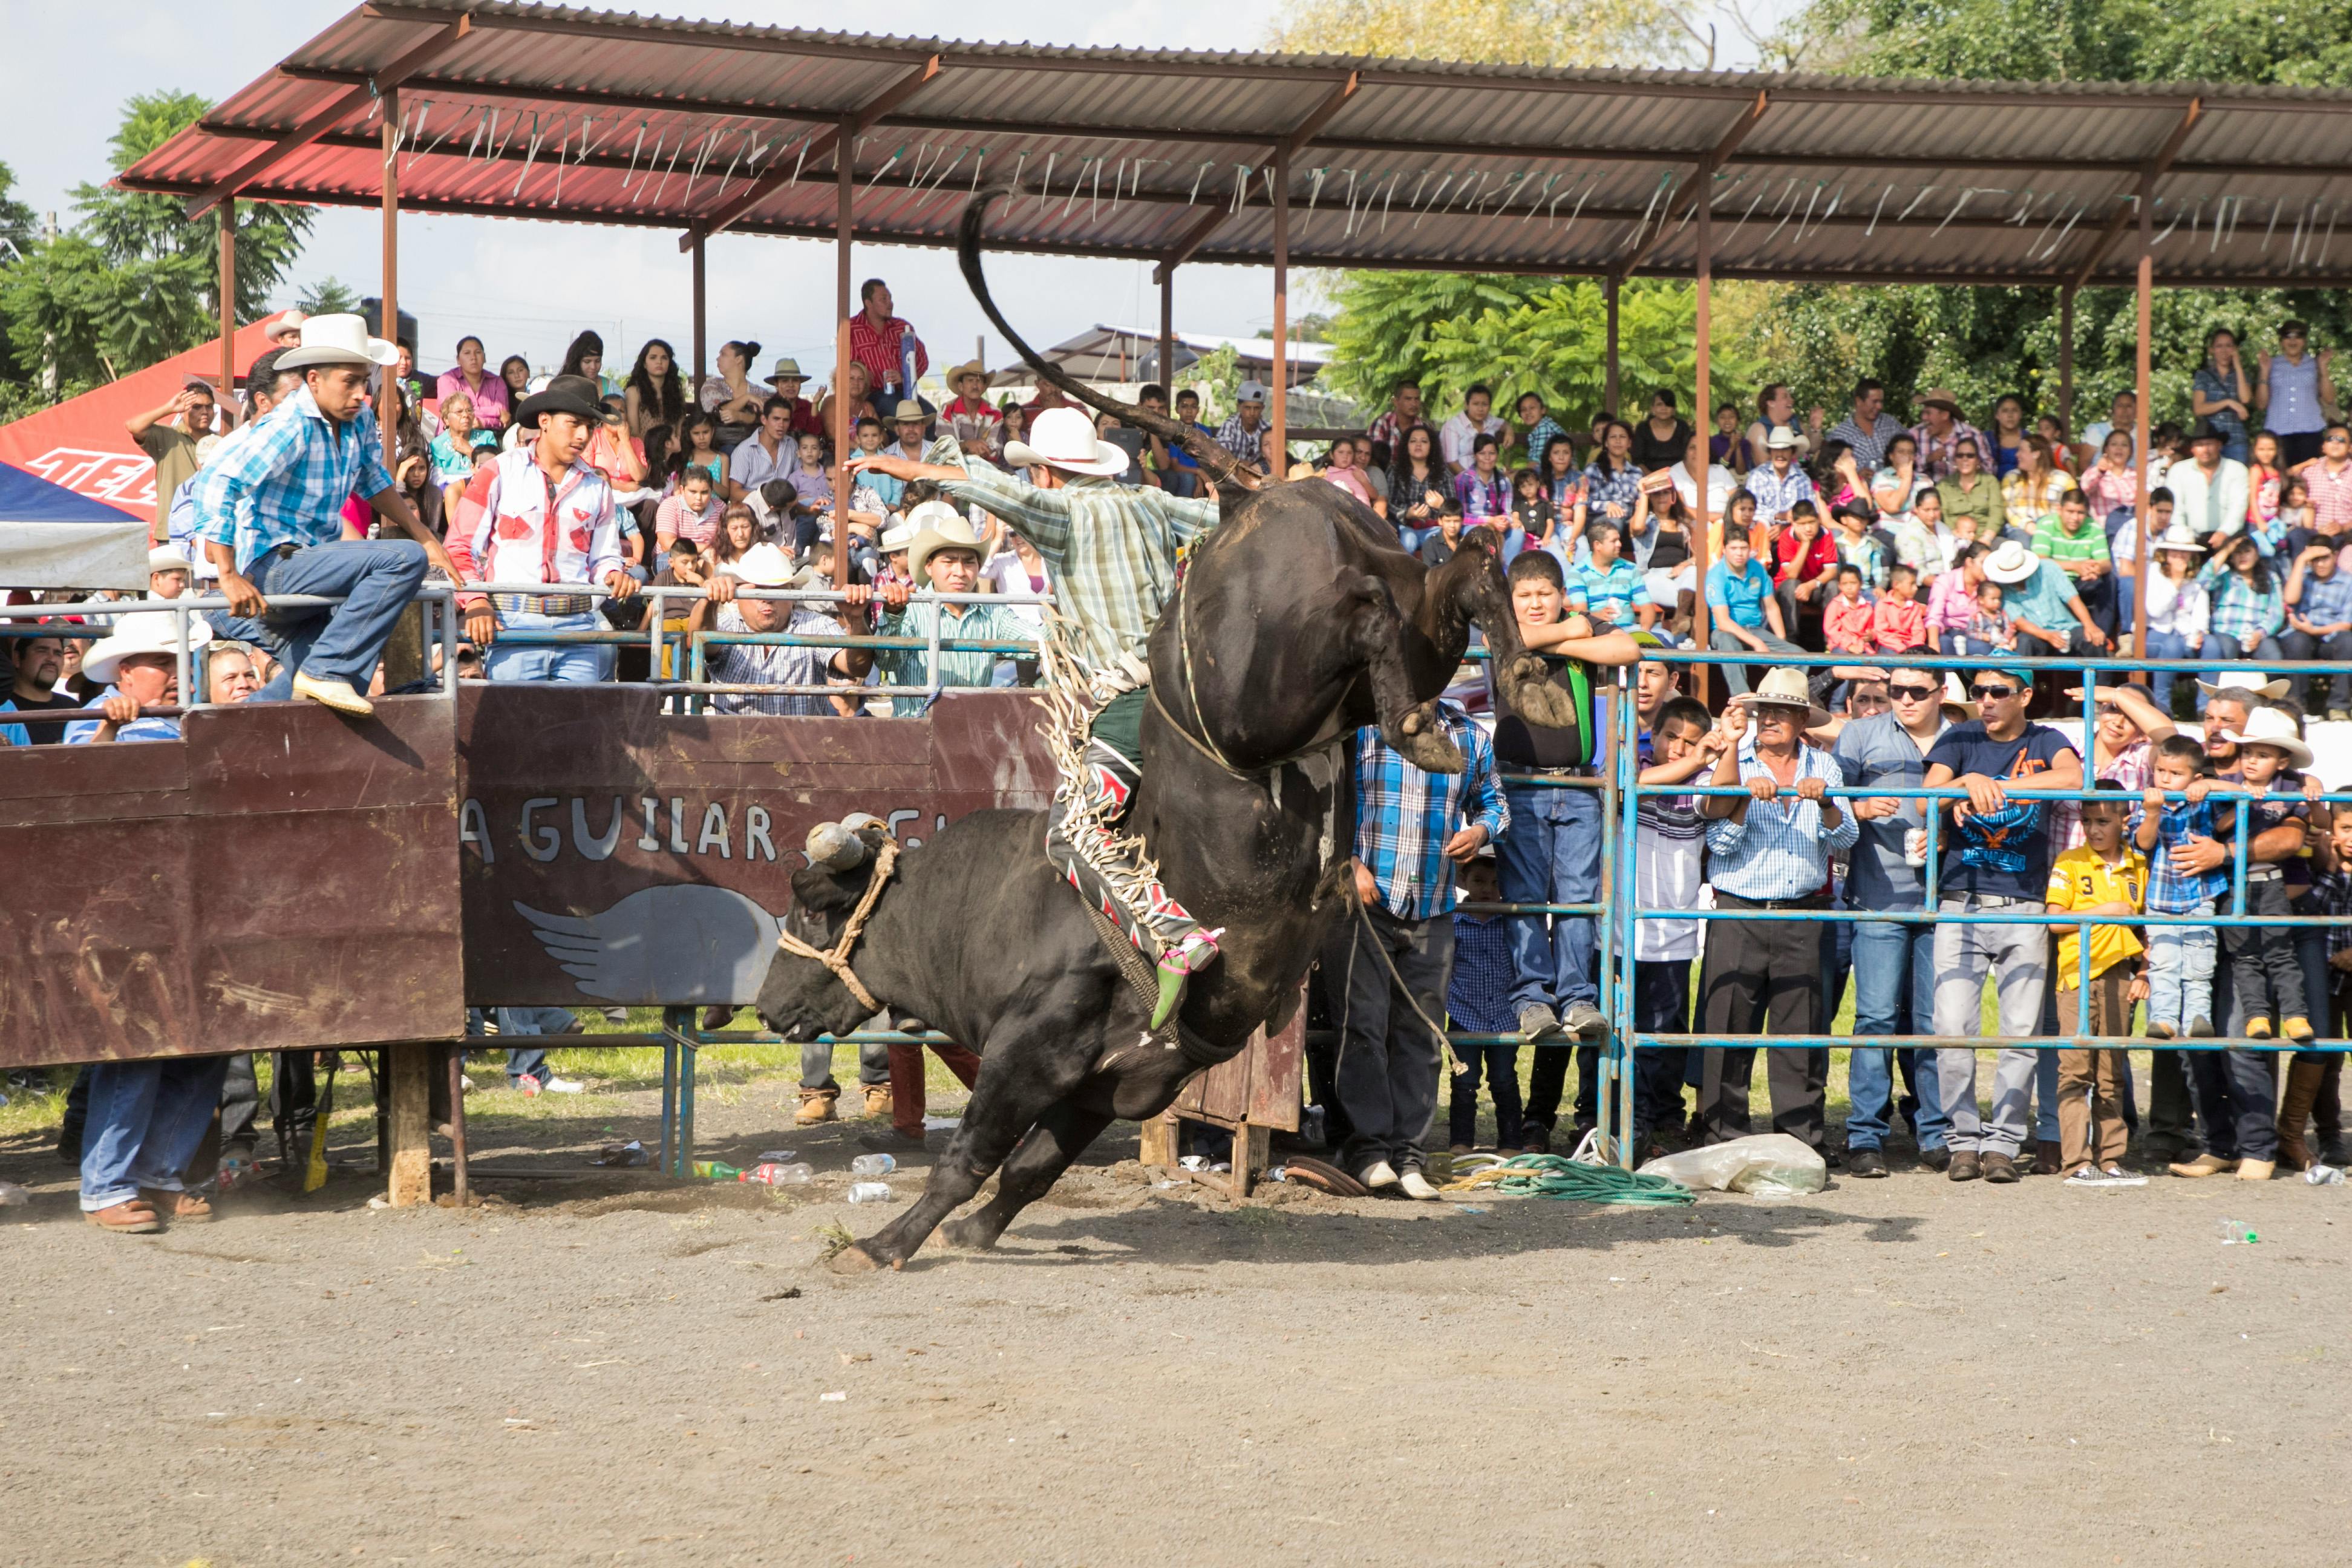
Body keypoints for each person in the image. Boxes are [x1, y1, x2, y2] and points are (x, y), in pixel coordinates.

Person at [845, 403, 1224, 1027]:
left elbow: (991, 488)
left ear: (1046, 472)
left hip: (1128, 702)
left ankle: (1175, 933)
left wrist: (915, 465)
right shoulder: (1151, 502)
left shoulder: (1062, 513)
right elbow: (1219, 518)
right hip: (1185, 694)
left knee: (1072, 831)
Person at [192, 315, 461, 716]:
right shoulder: (291, 424)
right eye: (349, 382)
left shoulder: (359, 422)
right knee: (403, 560)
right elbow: (218, 480)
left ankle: (233, 727)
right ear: (314, 380)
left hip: (316, 568)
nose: (359, 394)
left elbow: (374, 480)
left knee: (329, 683)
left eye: (364, 382)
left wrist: (427, 536)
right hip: (279, 565)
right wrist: (228, 575)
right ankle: (334, 670)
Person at [1320, 696, 1506, 1198]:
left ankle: (1410, 1156)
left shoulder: (1468, 735)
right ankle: (1368, 1151)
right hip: (1363, 902)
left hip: (1434, 903)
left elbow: (1494, 803)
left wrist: (1482, 831)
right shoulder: (1360, 728)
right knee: (1362, 1026)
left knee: (1422, 1036)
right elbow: (1326, 799)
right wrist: (1347, 862)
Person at [1489, 552, 1636, 1146]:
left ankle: (1576, 998)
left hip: (1576, 784)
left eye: (1545, 593)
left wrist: (1570, 639)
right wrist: (1568, 632)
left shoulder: (1581, 624)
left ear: (1561, 593)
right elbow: (1510, 639)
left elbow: (1627, 651)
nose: (1534, 603)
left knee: (1577, 897)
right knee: (1525, 898)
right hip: (1521, 785)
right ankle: (1532, 1000)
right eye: (1524, 594)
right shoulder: (1504, 626)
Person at [1922, 665, 2083, 1183]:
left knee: (2020, 1032)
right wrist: (1968, 780)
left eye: (1997, 692)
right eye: (1978, 692)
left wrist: (2000, 785)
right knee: (1951, 1029)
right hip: (1960, 900)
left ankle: (2004, 1145)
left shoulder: (2048, 738)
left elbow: (2072, 777)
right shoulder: (1961, 736)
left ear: (2025, 696)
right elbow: (1929, 793)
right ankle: (1962, 1140)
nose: (1985, 701)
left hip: (2025, 904)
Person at [1693, 668, 1854, 1154]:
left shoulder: (1824, 768)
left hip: (1803, 912)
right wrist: (1742, 803)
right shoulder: (1731, 758)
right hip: (1739, 909)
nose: (1770, 720)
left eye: (1781, 712)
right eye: (1765, 711)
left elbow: (1847, 838)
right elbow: (1716, 841)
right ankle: (1721, 1136)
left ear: (1803, 718)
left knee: (1800, 1030)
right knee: (1726, 1027)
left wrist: (1826, 804)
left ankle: (1800, 1140)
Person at [1832, 666, 1965, 1174]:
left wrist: (1950, 835)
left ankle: (1935, 1131)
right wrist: (1858, 807)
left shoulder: (1962, 740)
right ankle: (1865, 1135)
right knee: (1875, 1019)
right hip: (1877, 898)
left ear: (1941, 693)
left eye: (1917, 691)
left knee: (1934, 1024)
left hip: (1943, 901)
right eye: (1897, 690)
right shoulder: (1860, 734)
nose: (1905, 699)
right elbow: (1826, 799)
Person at [445, 376, 638, 683]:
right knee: (518, 727)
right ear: (545, 421)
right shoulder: (498, 471)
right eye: (574, 423)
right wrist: (477, 600)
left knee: (577, 727)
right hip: (512, 621)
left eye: (590, 426)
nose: (583, 435)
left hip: (578, 625)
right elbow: (458, 547)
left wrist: (613, 575)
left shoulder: (599, 488)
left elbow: (604, 558)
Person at [2044, 785, 2149, 1184]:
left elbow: (2145, 926)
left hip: (2120, 974)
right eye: (2086, 820)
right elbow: (2056, 920)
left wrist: (2143, 972)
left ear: (2124, 820)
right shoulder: (2070, 862)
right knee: (2075, 1069)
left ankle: (2112, 1159)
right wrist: (2108, 911)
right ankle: (2077, 1162)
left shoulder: (2138, 863)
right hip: (2076, 975)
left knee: (2112, 1069)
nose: (2093, 829)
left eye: (2103, 820)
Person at [1632, 692, 1720, 1152]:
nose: (1679, 748)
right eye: (1671, 736)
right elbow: (1637, 784)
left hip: (1675, 929)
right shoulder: (1637, 767)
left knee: (1664, 1034)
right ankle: (1613, 1117)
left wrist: (1719, 753)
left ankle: (1661, 1120)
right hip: (1625, 930)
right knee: (1619, 1029)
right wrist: (1698, 758)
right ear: (1654, 734)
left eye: (1691, 742)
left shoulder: (1706, 779)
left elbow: (1719, 804)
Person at [855, 504, 1037, 716]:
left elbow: (1033, 642)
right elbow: (889, 661)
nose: (959, 571)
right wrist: (894, 614)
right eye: (949, 561)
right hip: (918, 733)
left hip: (973, 734)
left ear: (978, 568)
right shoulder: (911, 610)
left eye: (969, 562)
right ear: (929, 567)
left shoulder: (994, 613)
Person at [2212, 706, 2315, 1048]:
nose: (2252, 761)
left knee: (2280, 950)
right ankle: (2257, 1016)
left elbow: (2320, 820)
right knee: (2245, 954)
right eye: (2247, 753)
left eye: (2263, 755)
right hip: (2234, 885)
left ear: (2282, 762)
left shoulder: (2290, 785)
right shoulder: (2227, 784)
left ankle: (2295, 1016)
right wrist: (2237, 801)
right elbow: (2215, 822)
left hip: (2271, 882)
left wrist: (2313, 793)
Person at [690, 542, 872, 718]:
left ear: (792, 593)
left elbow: (857, 667)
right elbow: (696, 641)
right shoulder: (725, 626)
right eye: (757, 588)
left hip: (802, 746)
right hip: (736, 745)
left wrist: (856, 620)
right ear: (736, 594)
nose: (767, 597)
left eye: (776, 588)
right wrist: (707, 601)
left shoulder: (816, 626)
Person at [2134, 733, 2226, 1045]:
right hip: (2161, 897)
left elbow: (2242, 793)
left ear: (2194, 777)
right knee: (2164, 960)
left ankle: (2198, 1017)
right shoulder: (2147, 803)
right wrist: (2153, 812)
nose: (2166, 779)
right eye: (2161, 771)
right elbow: (2144, 842)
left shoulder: (2204, 801)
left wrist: (2209, 786)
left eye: (2176, 774)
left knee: (2200, 959)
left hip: (2200, 894)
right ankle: (2164, 1019)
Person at [1444, 853, 1521, 1154]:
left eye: (1494, 882)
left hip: (1504, 1013)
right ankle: (1461, 1143)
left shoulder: (1510, 920)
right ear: (1463, 881)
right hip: (1465, 1011)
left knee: (1504, 1079)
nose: (1487, 889)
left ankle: (1511, 1143)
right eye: (1478, 881)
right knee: (1464, 1080)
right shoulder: (1454, 919)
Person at [1705, 531, 1805, 696]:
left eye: (1743, 548)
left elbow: (1772, 607)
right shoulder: (1716, 575)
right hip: (1725, 631)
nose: (1739, 553)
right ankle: (1743, 702)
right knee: (1729, 646)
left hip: (1754, 628)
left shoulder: (1757, 568)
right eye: (1734, 548)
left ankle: (1785, 703)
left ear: (1750, 549)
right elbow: (1723, 621)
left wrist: (1781, 641)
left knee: (1799, 658)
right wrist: (1757, 644)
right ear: (1724, 550)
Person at [1985, 538, 2108, 661]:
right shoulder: (2001, 587)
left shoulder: (2048, 568)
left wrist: (2090, 625)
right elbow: (2019, 621)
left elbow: (2071, 597)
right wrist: (2047, 635)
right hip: (2035, 633)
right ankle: (2021, 680)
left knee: (2093, 639)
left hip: (2066, 626)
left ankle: (2102, 681)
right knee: (2024, 643)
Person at [126, 380, 219, 535]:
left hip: (209, 531)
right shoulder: (168, 436)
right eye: (197, 407)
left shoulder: (219, 442)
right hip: (172, 532)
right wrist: (169, 408)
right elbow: (133, 426)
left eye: (209, 406)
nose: (205, 412)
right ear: (183, 411)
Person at [2143, 521, 2210, 713]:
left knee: (2212, 645)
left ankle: (2205, 708)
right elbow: (2155, 611)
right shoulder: (2154, 572)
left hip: (2185, 633)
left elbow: (2200, 609)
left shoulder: (2196, 576)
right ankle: (2162, 706)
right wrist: (2176, 582)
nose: (2180, 556)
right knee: (2172, 646)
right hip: (2155, 632)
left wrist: (2199, 632)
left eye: (2184, 552)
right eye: (2174, 552)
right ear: (2165, 553)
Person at [2281, 540, 2352, 720]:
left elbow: (2346, 623)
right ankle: (2297, 707)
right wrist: (2301, 560)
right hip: (2303, 635)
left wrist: (2314, 630)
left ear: (2335, 556)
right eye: (2315, 560)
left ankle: (2339, 707)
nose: (2320, 564)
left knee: (2348, 641)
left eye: (2325, 559)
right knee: (2297, 642)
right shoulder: (2303, 576)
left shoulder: (2348, 582)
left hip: (2333, 636)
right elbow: (2290, 598)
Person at [2031, 488, 2115, 632]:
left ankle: (2102, 634)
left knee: (2110, 580)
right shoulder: (2046, 525)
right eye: (2070, 512)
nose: (2075, 518)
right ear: (2060, 510)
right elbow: (2040, 560)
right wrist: (2074, 566)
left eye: (2080, 513)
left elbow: (2106, 563)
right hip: (2053, 583)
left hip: (2081, 581)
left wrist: (2096, 569)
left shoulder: (2094, 528)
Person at [2256, 320, 2336, 467]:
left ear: (2304, 341)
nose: (2293, 340)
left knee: (2309, 481)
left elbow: (2329, 398)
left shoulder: (2315, 363)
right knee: (2281, 481)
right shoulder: (2271, 364)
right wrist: (2264, 371)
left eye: (2298, 336)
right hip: (2278, 431)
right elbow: (2261, 405)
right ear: (2281, 341)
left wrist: (2324, 368)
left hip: (2310, 431)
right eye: (2288, 336)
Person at [2198, 534, 2285, 666]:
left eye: (2247, 552)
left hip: (2257, 633)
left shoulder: (2271, 578)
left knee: (2274, 657)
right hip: (2226, 632)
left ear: (2257, 554)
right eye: (2237, 552)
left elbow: (2277, 614)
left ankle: (2264, 688)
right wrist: (2227, 549)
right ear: (2231, 557)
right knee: (2226, 650)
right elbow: (2202, 582)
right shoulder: (2224, 576)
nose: (2242, 556)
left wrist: (2260, 633)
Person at [2167, 419, 2252, 546]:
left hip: (2229, 540)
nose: (2205, 450)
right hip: (2188, 541)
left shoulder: (2237, 470)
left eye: (2210, 444)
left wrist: (2224, 533)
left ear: (2220, 445)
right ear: (2193, 448)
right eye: (2200, 445)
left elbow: (2238, 507)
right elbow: (2176, 507)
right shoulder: (2178, 471)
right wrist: (2183, 536)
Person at [848, 277, 927, 405]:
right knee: (898, 411)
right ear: (869, 303)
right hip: (872, 396)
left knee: (932, 415)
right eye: (884, 299)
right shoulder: (852, 328)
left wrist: (904, 378)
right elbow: (849, 367)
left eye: (890, 298)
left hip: (905, 392)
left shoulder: (902, 327)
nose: (890, 303)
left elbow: (922, 359)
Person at [728, 395, 803, 503]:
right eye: (776, 419)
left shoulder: (792, 445)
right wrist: (767, 498)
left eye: (786, 420)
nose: (781, 425)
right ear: (764, 419)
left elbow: (801, 478)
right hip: (754, 512)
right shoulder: (744, 451)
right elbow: (734, 494)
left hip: (786, 511)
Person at [699, 339, 766, 452]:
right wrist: (747, 398)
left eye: (723, 354)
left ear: (739, 359)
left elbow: (767, 419)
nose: (718, 358)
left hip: (755, 448)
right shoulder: (712, 385)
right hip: (719, 447)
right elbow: (716, 413)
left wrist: (740, 416)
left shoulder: (760, 392)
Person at [1745, 425, 1817, 530]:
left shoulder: (1802, 479)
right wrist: (1778, 515)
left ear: (1793, 453)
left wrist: (1785, 528)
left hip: (1793, 531)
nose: (1780, 454)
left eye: (1785, 450)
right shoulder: (1758, 475)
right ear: (1770, 452)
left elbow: (1809, 512)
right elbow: (1750, 509)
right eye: (1776, 450)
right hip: (1761, 531)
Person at [437, 335, 509, 430]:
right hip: (452, 439)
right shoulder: (447, 380)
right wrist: (497, 412)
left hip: (489, 439)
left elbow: (504, 420)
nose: (473, 358)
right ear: (458, 360)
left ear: (485, 357)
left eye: (478, 352)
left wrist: (482, 423)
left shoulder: (497, 382)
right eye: (467, 353)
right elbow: (452, 413)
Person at [1910, 387, 1983, 479]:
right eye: (1923, 413)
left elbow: (1989, 468)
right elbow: (1904, 467)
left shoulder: (1973, 435)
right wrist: (1928, 459)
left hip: (1963, 491)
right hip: (1925, 491)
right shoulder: (1915, 434)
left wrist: (1967, 465)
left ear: (1945, 415)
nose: (1924, 418)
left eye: (1928, 413)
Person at [622, 339, 687, 441]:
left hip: (673, 451)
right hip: (643, 451)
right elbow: (634, 432)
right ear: (644, 364)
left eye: (664, 358)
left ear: (670, 363)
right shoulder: (634, 392)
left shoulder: (677, 393)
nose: (659, 362)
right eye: (653, 358)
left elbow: (679, 432)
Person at [656, 468, 725, 558]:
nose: (699, 498)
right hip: (671, 558)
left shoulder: (720, 508)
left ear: (711, 491)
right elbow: (667, 545)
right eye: (693, 492)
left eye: (704, 493)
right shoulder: (670, 506)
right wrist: (704, 548)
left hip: (710, 556)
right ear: (682, 490)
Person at [1440, 385, 1507, 472]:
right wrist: (1472, 481)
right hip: (1459, 480)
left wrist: (1509, 431)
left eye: (1485, 404)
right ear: (1467, 405)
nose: (1480, 409)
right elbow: (1452, 462)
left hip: (1487, 477)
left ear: (1490, 407)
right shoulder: (1453, 426)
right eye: (1475, 404)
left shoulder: (1490, 421)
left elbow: (1504, 424)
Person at [940, 361, 1002, 456]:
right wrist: (967, 444)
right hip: (953, 468)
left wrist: (976, 450)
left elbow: (995, 451)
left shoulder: (995, 413)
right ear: (961, 386)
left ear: (984, 387)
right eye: (970, 380)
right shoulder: (946, 410)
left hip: (987, 467)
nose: (975, 386)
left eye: (979, 381)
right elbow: (944, 448)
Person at [1630, 389, 1693, 472]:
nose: (1664, 408)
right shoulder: (1643, 429)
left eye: (1668, 405)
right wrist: (1653, 479)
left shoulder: (1682, 427)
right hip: (1649, 480)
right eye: (1660, 405)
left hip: (1679, 479)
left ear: (1674, 409)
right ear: (1653, 409)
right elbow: (1637, 461)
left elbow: (1689, 456)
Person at [1872, 561, 1926, 654]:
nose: (1916, 588)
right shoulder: (1883, 605)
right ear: (1896, 585)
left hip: (1910, 646)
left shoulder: (1914, 607)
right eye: (1912, 584)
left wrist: (1914, 648)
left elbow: (1918, 631)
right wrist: (1901, 648)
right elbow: (1882, 633)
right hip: (1890, 646)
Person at [1453, 433, 1509, 520]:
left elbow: (1507, 512)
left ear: (1497, 455)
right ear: (1475, 456)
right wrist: (1488, 521)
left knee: (1517, 533)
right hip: (1471, 527)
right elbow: (1461, 516)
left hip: (1497, 526)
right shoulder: (1463, 480)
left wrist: (1504, 522)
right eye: (1482, 453)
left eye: (1492, 453)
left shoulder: (1504, 481)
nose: (1487, 458)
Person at [1216, 382, 1269, 468]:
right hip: (1232, 475)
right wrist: (1251, 466)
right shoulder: (1230, 425)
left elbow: (1273, 459)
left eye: (1256, 408)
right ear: (1239, 407)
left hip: (1261, 477)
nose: (1252, 413)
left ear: (1262, 408)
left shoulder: (1267, 429)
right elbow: (1223, 457)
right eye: (1248, 408)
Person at [1367, 380, 1424, 448]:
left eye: (1417, 399)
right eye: (1408, 399)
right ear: (1396, 402)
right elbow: (1375, 456)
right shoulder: (1382, 424)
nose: (1414, 404)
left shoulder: (1425, 426)